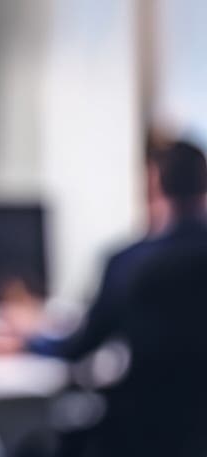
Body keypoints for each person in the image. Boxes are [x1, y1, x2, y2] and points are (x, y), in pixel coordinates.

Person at [27, 140, 207, 456]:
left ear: (153, 186)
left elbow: (80, 348)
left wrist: (29, 340)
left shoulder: (129, 263)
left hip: (140, 428)